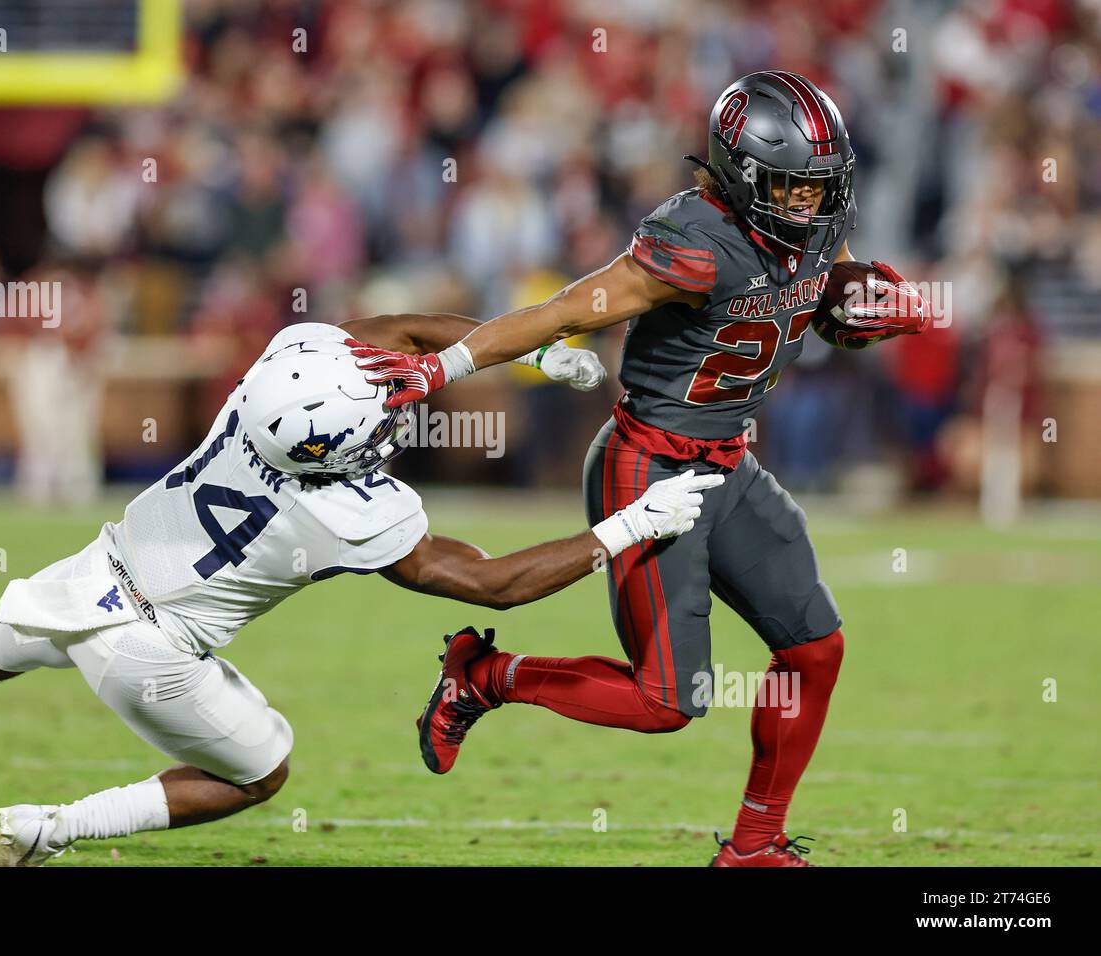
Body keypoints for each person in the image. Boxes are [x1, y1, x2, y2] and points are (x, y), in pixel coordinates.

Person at [0, 319, 720, 865]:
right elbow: (493, 583)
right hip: (151, 652)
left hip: (99, 569)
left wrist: (520, 354)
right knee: (261, 772)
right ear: (333, 451)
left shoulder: (274, 379)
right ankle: (59, 828)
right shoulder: (346, 512)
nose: (390, 416)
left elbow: (395, 337)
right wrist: (631, 522)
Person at [350, 72, 930, 866]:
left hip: (729, 463)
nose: (809, 205)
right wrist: (446, 365)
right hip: (649, 466)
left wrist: (870, 314)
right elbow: (556, 314)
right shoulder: (690, 244)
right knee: (666, 703)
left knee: (814, 650)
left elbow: (826, 316)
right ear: (740, 173)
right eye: (791, 187)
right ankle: (484, 674)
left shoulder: (817, 230)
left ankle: (754, 847)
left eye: (819, 187)